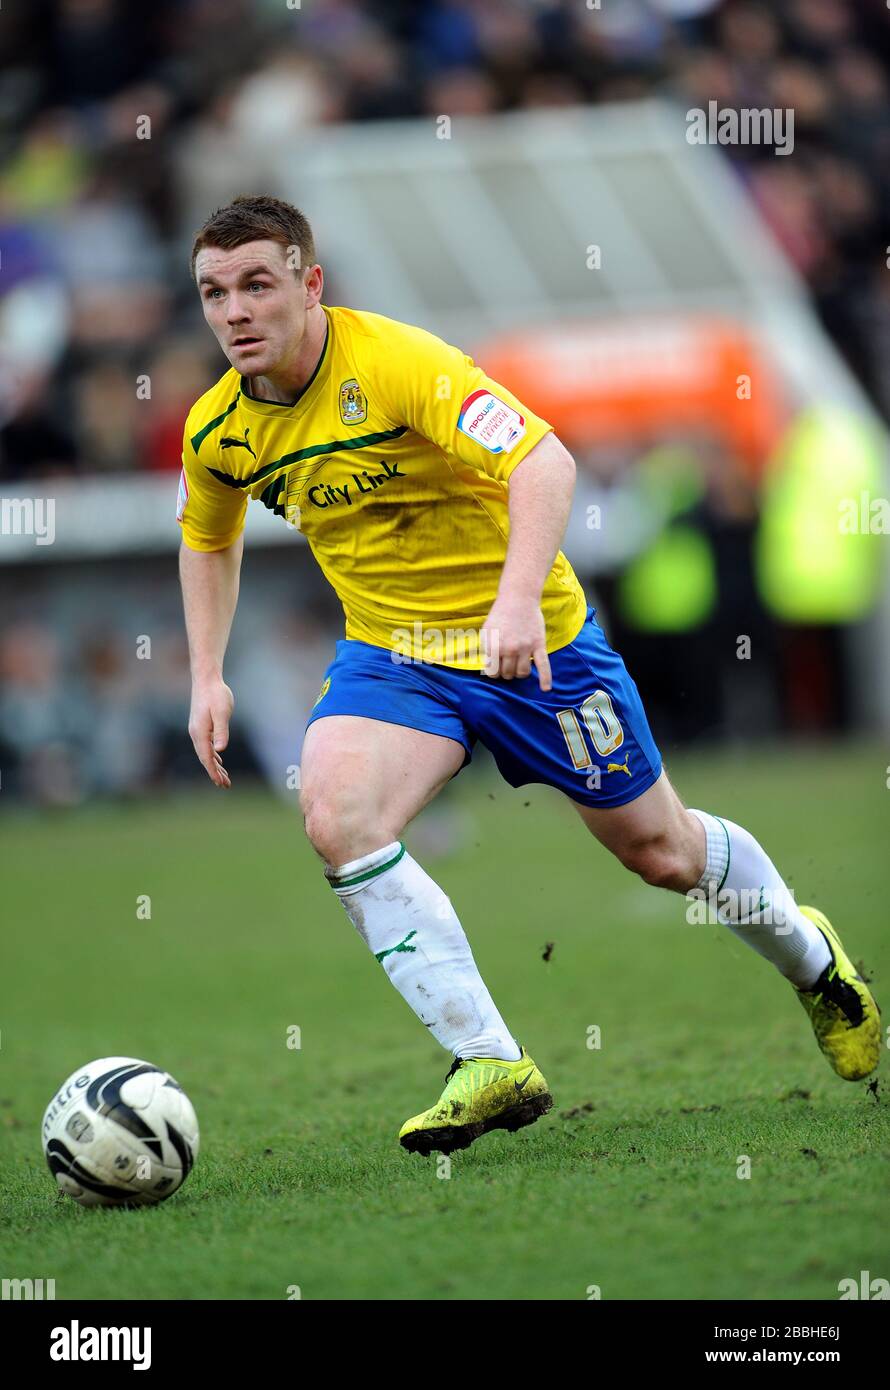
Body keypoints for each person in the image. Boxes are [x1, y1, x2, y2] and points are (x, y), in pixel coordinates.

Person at [178, 195, 879, 1156]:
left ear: (310, 285)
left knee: (661, 854)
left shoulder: (398, 365)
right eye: (215, 293)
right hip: (396, 654)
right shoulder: (216, 429)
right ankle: (488, 1059)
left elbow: (544, 461)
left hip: (534, 644)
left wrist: (512, 602)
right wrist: (206, 674)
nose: (236, 312)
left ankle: (816, 964)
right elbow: (206, 539)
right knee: (337, 815)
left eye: (258, 284)